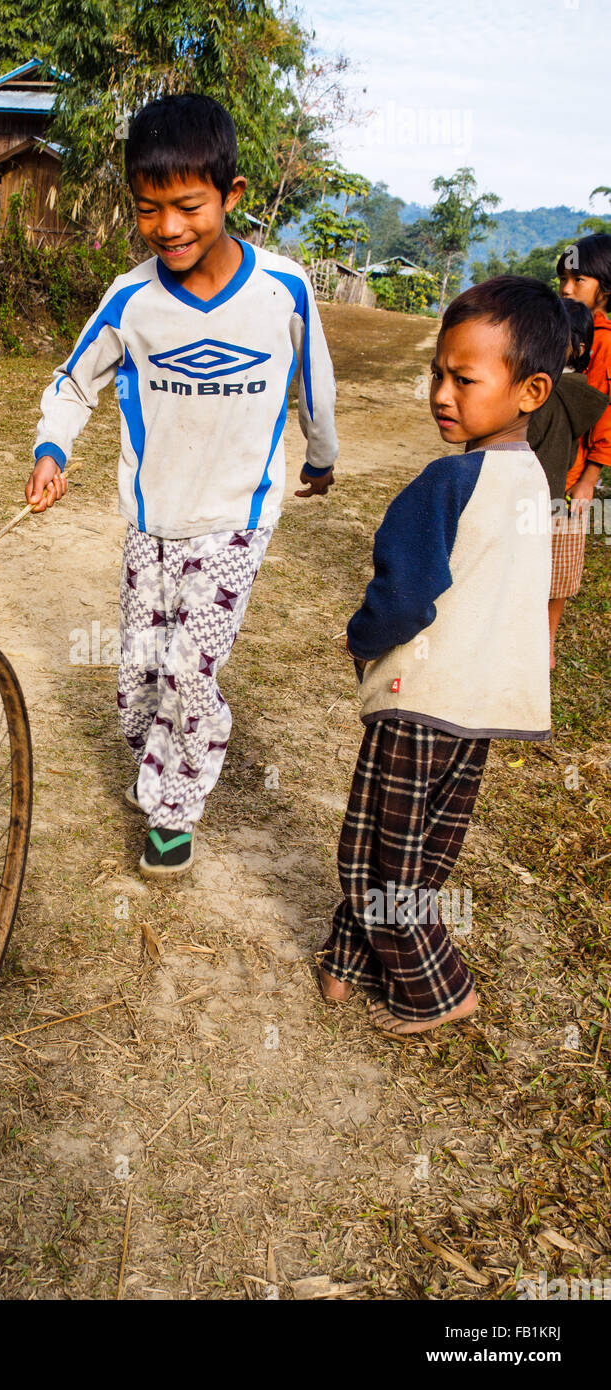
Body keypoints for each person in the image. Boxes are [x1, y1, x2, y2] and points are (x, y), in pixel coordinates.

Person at [24, 94, 339, 879]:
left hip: (236, 516)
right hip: (150, 518)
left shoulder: (283, 291)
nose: (168, 227)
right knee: (139, 678)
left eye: (188, 206)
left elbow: (315, 386)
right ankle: (154, 760)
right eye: (148, 209)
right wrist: (51, 448)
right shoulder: (132, 299)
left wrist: (321, 455)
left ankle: (175, 809)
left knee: (190, 667)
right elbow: (73, 383)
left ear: (230, 197)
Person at [319, 276, 566, 1035]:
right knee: (418, 848)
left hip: (422, 696)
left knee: (377, 852)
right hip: (481, 706)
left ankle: (436, 987)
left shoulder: (443, 482)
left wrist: (360, 642)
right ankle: (350, 960)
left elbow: (402, 595)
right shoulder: (532, 478)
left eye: (463, 379)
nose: (441, 393)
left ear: (528, 390)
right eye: (437, 373)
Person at [526, 299, 608, 666]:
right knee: (557, 579)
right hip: (566, 497)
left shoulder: (542, 395)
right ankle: (546, 647)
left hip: (532, 499)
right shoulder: (587, 396)